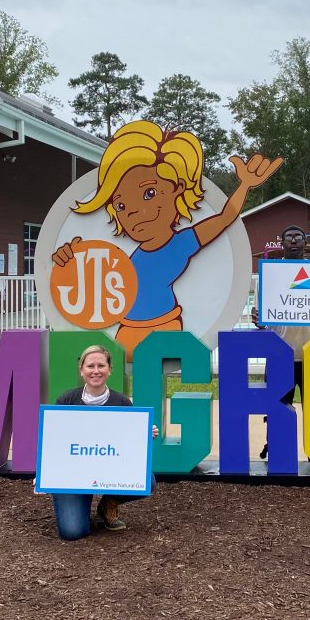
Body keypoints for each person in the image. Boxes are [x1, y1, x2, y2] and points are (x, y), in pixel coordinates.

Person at [53, 120, 281, 357]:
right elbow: (93, 279)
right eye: (120, 205)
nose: (131, 211)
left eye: (149, 193)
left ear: (178, 188)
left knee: (151, 371)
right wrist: (69, 259)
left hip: (165, 326)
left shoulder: (183, 243)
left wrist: (245, 185)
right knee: (122, 371)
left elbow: (225, 218)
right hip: (127, 329)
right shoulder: (121, 257)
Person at [50, 344, 157, 540]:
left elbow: (128, 444)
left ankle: (108, 503)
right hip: (73, 473)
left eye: (101, 365)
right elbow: (55, 443)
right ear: (81, 370)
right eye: (90, 366)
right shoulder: (66, 400)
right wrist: (46, 472)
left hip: (108, 467)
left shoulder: (122, 402)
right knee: (73, 532)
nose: (96, 371)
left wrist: (144, 433)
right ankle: (81, 511)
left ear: (110, 370)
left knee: (146, 480)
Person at [251, 225, 310, 457]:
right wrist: (259, 319)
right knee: (277, 408)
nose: (293, 241)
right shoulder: (269, 275)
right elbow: (259, 315)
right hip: (280, 354)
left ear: (305, 243)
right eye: (289, 237)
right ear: (281, 243)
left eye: (298, 237)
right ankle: (276, 450)